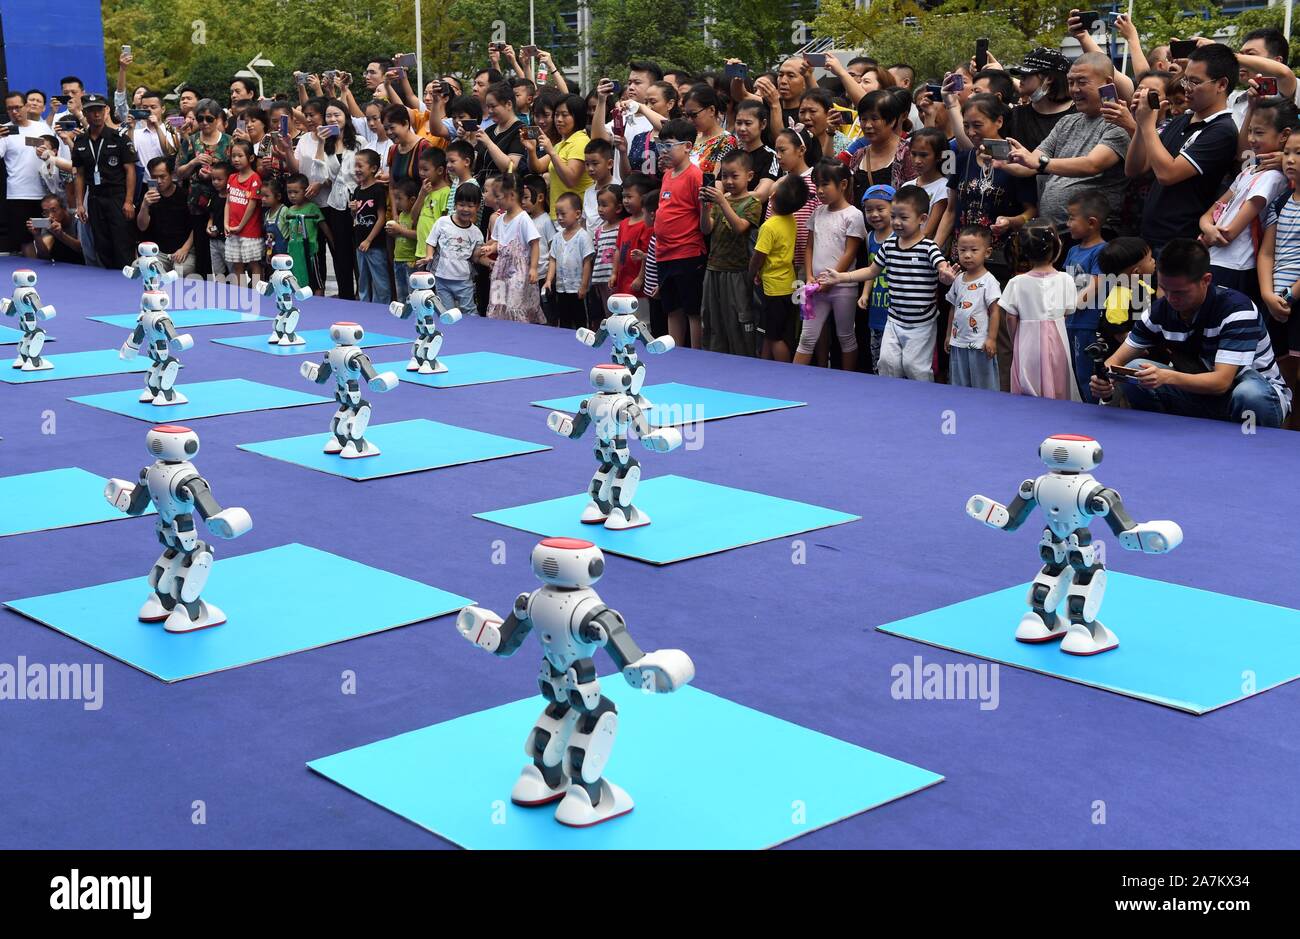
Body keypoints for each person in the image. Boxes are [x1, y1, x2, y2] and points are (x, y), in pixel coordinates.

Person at [1093, 238, 1290, 427]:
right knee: (1137, 369)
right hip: (1202, 395)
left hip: (1255, 397)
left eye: (1179, 292)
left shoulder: (1237, 309)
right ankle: (1162, 440)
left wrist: (1166, 377)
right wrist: (1104, 379)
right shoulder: (1159, 311)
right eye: (1164, 289)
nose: (1170, 298)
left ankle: (1254, 451)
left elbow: (1221, 382)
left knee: (1249, 394)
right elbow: (1115, 361)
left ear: (1206, 280)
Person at [821, 185, 954, 381]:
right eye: (894, 216)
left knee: (915, 368)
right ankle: (892, 403)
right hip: (894, 319)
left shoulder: (928, 247)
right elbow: (871, 270)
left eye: (904, 218)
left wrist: (945, 275)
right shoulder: (889, 245)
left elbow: (942, 267)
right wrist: (840, 277)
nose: (897, 222)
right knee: (886, 363)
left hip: (921, 323)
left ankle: (922, 403)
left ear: (922, 219)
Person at [1123, 43, 1240, 255]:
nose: (1186, 87)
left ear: (1222, 84)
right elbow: (1134, 168)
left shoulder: (1222, 130)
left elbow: (1167, 174)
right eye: (1186, 79)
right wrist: (1141, 124)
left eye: (1195, 82)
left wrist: (1148, 125)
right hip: (1148, 235)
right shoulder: (1182, 119)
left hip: (1180, 243)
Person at [999, 53, 1131, 241]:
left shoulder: (1119, 123)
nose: (1074, 89)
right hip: (1055, 233)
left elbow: (1091, 165)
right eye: (1071, 82)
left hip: (1094, 236)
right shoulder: (1066, 122)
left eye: (1082, 82)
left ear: (1107, 82)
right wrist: (1001, 161)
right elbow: (1030, 165)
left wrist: (1038, 162)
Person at [798, 161, 865, 370]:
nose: (819, 190)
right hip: (815, 287)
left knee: (845, 336)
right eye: (816, 184)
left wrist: (832, 278)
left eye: (825, 184)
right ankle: (792, 381)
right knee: (807, 337)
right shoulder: (817, 213)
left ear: (843, 184)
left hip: (842, 287)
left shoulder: (853, 215)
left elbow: (850, 251)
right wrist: (809, 275)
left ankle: (849, 381)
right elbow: (809, 247)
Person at [1001, 224, 1078, 400]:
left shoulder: (1017, 282)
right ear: (1057, 248)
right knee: (1058, 381)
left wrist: (1015, 339)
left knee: (1027, 383)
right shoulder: (1066, 279)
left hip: (1027, 340)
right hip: (1058, 338)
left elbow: (1010, 317)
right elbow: (1068, 310)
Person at [1256, 128, 1300, 418]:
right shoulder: (1280, 201)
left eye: (1299, 153)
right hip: (1276, 303)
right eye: (1287, 152)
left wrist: (1288, 297)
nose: (1291, 160)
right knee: (1282, 376)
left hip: (1292, 300)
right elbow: (1266, 253)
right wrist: (1267, 295)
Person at [653, 119, 708, 348]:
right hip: (664, 252)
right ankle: (673, 354)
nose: (664, 151)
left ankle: (696, 354)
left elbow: (702, 215)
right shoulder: (668, 174)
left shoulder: (695, 175)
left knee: (692, 309)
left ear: (687, 146)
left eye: (669, 145)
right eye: (661, 145)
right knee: (672, 308)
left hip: (687, 251)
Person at [699, 151, 760, 355]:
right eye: (724, 176)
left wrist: (722, 202)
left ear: (749, 176)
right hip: (713, 268)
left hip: (737, 272)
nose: (728, 181)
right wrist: (705, 208)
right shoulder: (719, 200)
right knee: (713, 320)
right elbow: (706, 229)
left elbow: (740, 228)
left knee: (737, 320)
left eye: (735, 176)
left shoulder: (753, 202)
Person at [71, 94, 137, 270]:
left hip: (117, 196)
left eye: (99, 110)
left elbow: (130, 169)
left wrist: (129, 201)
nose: (96, 115)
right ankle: (109, 285)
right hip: (94, 197)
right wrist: (79, 204)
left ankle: (127, 283)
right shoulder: (80, 141)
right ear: (85, 113)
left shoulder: (119, 137)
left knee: (122, 241)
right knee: (101, 243)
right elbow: (79, 174)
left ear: (106, 111)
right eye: (92, 111)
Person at [750, 174, 808, 362]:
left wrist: (752, 273)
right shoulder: (790, 219)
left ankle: (785, 370)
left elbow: (759, 256)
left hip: (773, 288)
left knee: (776, 338)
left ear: (772, 196)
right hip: (787, 284)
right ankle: (765, 363)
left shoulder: (769, 226)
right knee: (774, 330)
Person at [1061, 191, 1109, 402]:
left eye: (1072, 218)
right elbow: (1064, 282)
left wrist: (1070, 306)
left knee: (1085, 374)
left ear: (1091, 222)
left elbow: (1096, 285)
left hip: (1087, 324)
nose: (1067, 223)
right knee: (1070, 372)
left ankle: (1092, 413)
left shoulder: (1102, 251)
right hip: (1069, 322)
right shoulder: (1072, 250)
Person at [175, 98, 229, 277]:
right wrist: (194, 162)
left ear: (218, 119)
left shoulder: (228, 142)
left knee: (224, 250)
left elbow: (237, 172)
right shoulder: (190, 141)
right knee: (202, 249)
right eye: (200, 119)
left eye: (209, 118)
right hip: (197, 204)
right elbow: (179, 172)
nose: (204, 123)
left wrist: (213, 172)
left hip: (223, 204)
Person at [945, 226, 1002, 391]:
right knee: (959, 385)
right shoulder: (957, 279)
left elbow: (995, 311)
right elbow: (952, 309)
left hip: (980, 344)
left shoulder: (989, 281)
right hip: (958, 342)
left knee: (984, 387)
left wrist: (991, 339)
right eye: (962, 250)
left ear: (987, 252)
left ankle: (987, 414)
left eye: (974, 250)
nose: (967, 255)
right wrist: (949, 335)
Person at [0, 91, 55, 257]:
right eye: (10, 109)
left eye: (18, 107)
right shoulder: (5, 132)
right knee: (26, 239)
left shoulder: (41, 127)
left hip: (45, 193)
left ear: (26, 106)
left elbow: (54, 152)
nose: (15, 111)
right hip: (18, 194)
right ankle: (33, 272)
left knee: (49, 234)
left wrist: (46, 152)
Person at [484, 172, 543, 323]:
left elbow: (534, 243)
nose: (497, 201)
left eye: (499, 196)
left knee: (514, 303)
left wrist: (533, 268)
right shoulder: (500, 219)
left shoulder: (523, 219)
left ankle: (519, 332)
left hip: (518, 271)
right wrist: (491, 248)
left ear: (511, 195)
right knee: (498, 302)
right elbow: (497, 242)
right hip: (501, 270)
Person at [425, 182, 486, 317]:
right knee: (446, 313)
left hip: (464, 280)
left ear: (477, 207)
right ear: (455, 204)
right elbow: (431, 242)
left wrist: (488, 261)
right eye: (461, 204)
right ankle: (451, 336)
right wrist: (429, 256)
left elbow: (476, 257)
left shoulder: (476, 233)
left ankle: (473, 334)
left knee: (469, 310)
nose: (465, 209)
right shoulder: (443, 222)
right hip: (442, 277)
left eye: (470, 206)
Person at [528, 94, 593, 218]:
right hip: (559, 216)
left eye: (564, 115)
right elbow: (537, 168)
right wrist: (531, 150)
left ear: (577, 117)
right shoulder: (560, 144)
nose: (559, 119)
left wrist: (551, 152)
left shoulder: (580, 141)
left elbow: (571, 180)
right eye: (557, 114)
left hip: (574, 217)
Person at [1004, 48, 1075, 153]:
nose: (1021, 78)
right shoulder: (1015, 115)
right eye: (1021, 74)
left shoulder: (1078, 116)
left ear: (1049, 79)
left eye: (1027, 74)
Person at [859, 184, 895, 372]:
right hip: (877, 307)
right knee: (878, 357)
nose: (874, 214)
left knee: (894, 358)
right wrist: (865, 293)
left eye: (880, 209)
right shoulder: (870, 237)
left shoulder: (899, 236)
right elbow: (870, 269)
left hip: (896, 310)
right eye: (869, 210)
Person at [546, 191, 595, 329]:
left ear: (578, 214)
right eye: (557, 214)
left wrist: (584, 285)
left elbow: (587, 262)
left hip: (578, 288)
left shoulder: (583, 237)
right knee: (564, 319)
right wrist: (549, 280)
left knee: (581, 320)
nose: (559, 218)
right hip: (562, 288)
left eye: (563, 214)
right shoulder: (557, 237)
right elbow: (552, 260)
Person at [351, 152, 390, 303]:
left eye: (360, 166)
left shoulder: (378, 190)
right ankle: (364, 306)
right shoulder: (357, 190)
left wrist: (369, 240)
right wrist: (353, 211)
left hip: (375, 245)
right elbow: (356, 218)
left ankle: (381, 308)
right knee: (363, 279)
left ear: (373, 168)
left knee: (380, 281)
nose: (357, 169)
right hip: (359, 243)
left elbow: (381, 218)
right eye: (355, 165)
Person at [223, 140, 264, 284]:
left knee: (254, 264)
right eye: (233, 156)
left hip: (250, 231)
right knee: (237, 264)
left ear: (251, 158)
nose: (235, 159)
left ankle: (257, 294)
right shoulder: (232, 177)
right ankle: (242, 295)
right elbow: (228, 202)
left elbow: (251, 205)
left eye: (240, 156)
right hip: (233, 230)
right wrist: (226, 224)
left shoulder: (255, 178)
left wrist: (240, 226)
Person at [283, 172, 328, 291]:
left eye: (296, 192)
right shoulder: (289, 210)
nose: (292, 195)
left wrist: (332, 242)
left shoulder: (312, 208)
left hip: (310, 250)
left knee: (315, 279)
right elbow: (288, 232)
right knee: (297, 279)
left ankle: (319, 304)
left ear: (305, 191)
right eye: (289, 192)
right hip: (294, 251)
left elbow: (323, 225)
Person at [386, 178, 420, 303]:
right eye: (395, 198)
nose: (396, 202)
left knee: (413, 296)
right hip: (398, 260)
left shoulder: (415, 216)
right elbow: (400, 236)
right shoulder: (400, 215)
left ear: (412, 200)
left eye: (400, 198)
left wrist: (400, 230)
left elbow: (419, 235)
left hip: (410, 261)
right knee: (401, 294)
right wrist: (394, 232)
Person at [28, 194, 84, 264]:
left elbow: (81, 249)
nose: (50, 216)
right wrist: (37, 235)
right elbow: (44, 256)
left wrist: (61, 234)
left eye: (54, 210)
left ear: (64, 208)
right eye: (46, 212)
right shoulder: (49, 223)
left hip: (84, 264)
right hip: (61, 266)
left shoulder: (78, 217)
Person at [205, 161, 231, 278]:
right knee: (217, 272)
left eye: (219, 179)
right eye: (213, 179)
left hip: (228, 241)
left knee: (234, 271)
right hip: (214, 241)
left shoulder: (232, 198)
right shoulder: (213, 196)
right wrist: (209, 227)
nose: (215, 182)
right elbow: (211, 216)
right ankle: (220, 293)